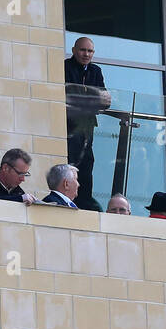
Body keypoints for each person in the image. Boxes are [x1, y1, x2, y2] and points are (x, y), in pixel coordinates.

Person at [63, 36, 109, 211]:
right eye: (83, 50)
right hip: (69, 124)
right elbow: (66, 94)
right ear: (74, 50)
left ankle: (85, 202)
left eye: (90, 51)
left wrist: (85, 98)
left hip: (87, 125)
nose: (86, 54)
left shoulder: (96, 71)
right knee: (71, 161)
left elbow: (105, 99)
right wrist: (90, 99)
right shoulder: (65, 67)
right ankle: (68, 198)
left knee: (87, 163)